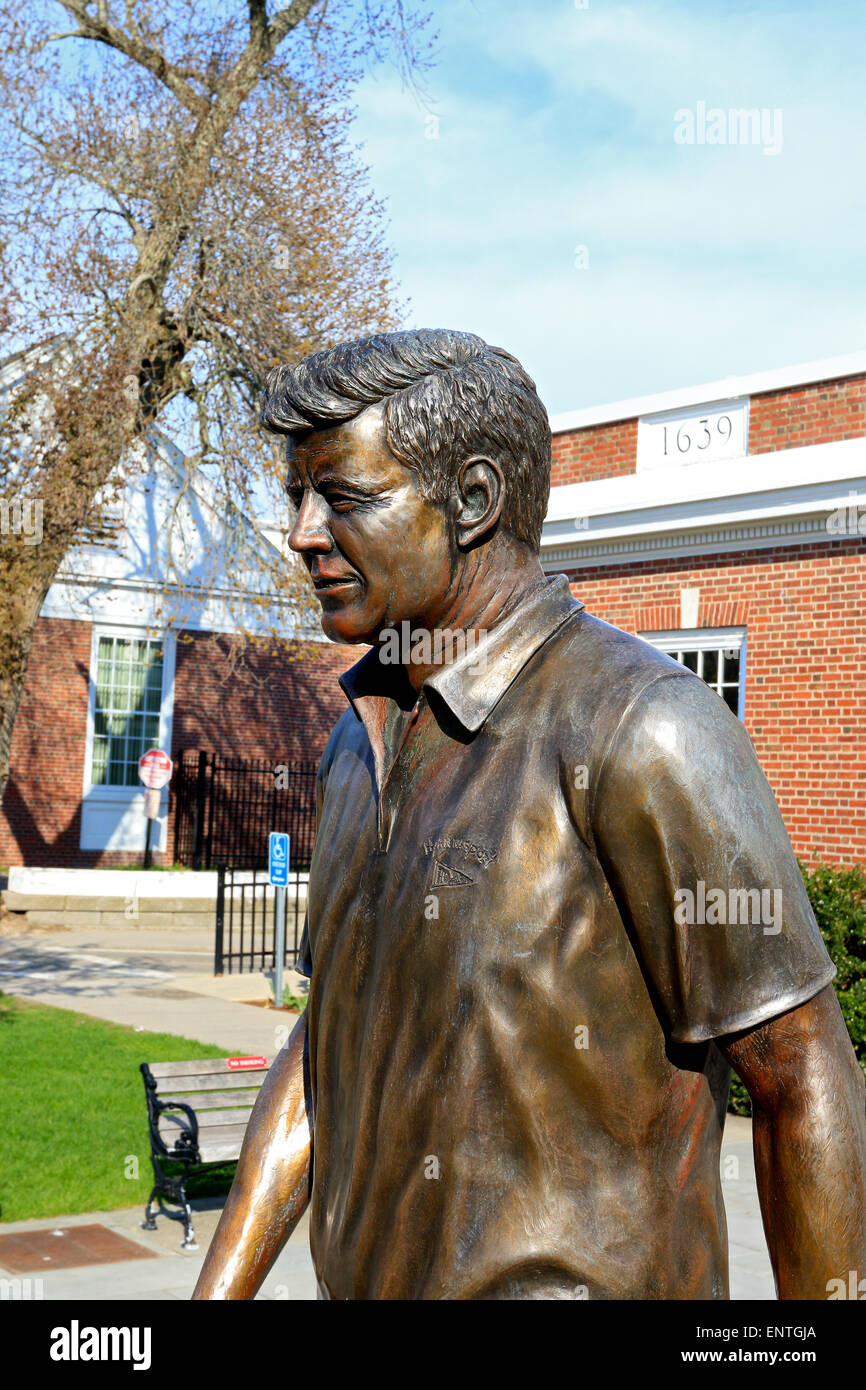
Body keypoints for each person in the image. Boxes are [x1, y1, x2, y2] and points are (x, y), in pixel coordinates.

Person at [193, 328, 866, 1301]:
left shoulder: (645, 727)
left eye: (340, 497)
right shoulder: (356, 742)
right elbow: (321, 1048)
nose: (300, 531)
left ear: (471, 500)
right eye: (295, 496)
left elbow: (801, 1077)